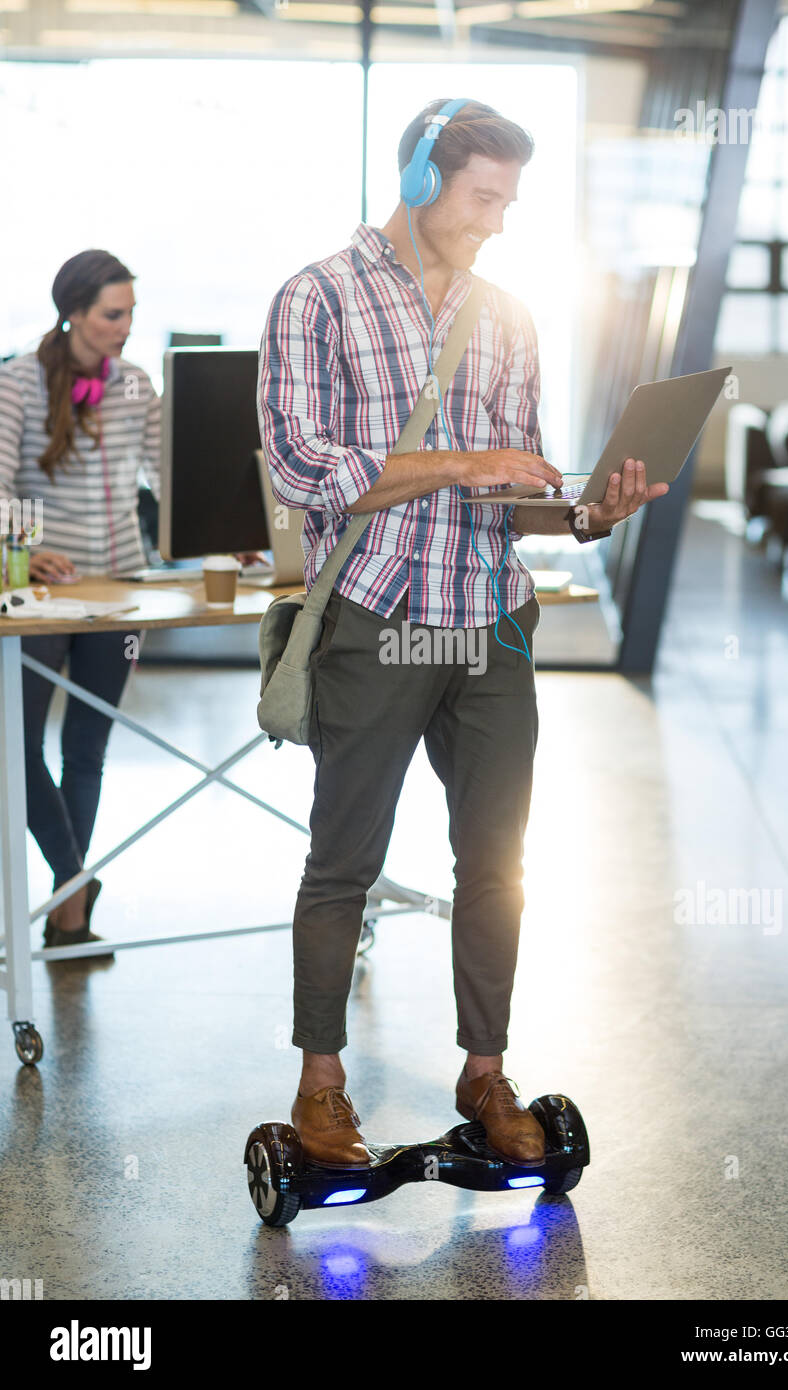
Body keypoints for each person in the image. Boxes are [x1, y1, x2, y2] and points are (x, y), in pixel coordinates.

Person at [257, 99, 668, 1167]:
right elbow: (305, 471)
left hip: (488, 619)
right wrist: (458, 464)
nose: (495, 221)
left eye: (507, 201)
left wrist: (590, 510)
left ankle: (484, 1071)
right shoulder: (318, 299)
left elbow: (518, 488)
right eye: (482, 196)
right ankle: (320, 1086)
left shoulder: (508, 315)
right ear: (421, 176)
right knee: (343, 857)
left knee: (496, 862)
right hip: (378, 613)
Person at [0, 250, 161, 951]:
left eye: (129, 314)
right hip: (44, 593)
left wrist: (228, 532)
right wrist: (25, 548)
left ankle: (68, 917)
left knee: (88, 750)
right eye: (111, 315)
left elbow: (166, 474)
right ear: (73, 310)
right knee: (16, 746)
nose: (123, 328)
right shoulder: (20, 384)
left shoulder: (136, 385)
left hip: (122, 587)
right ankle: (74, 878)